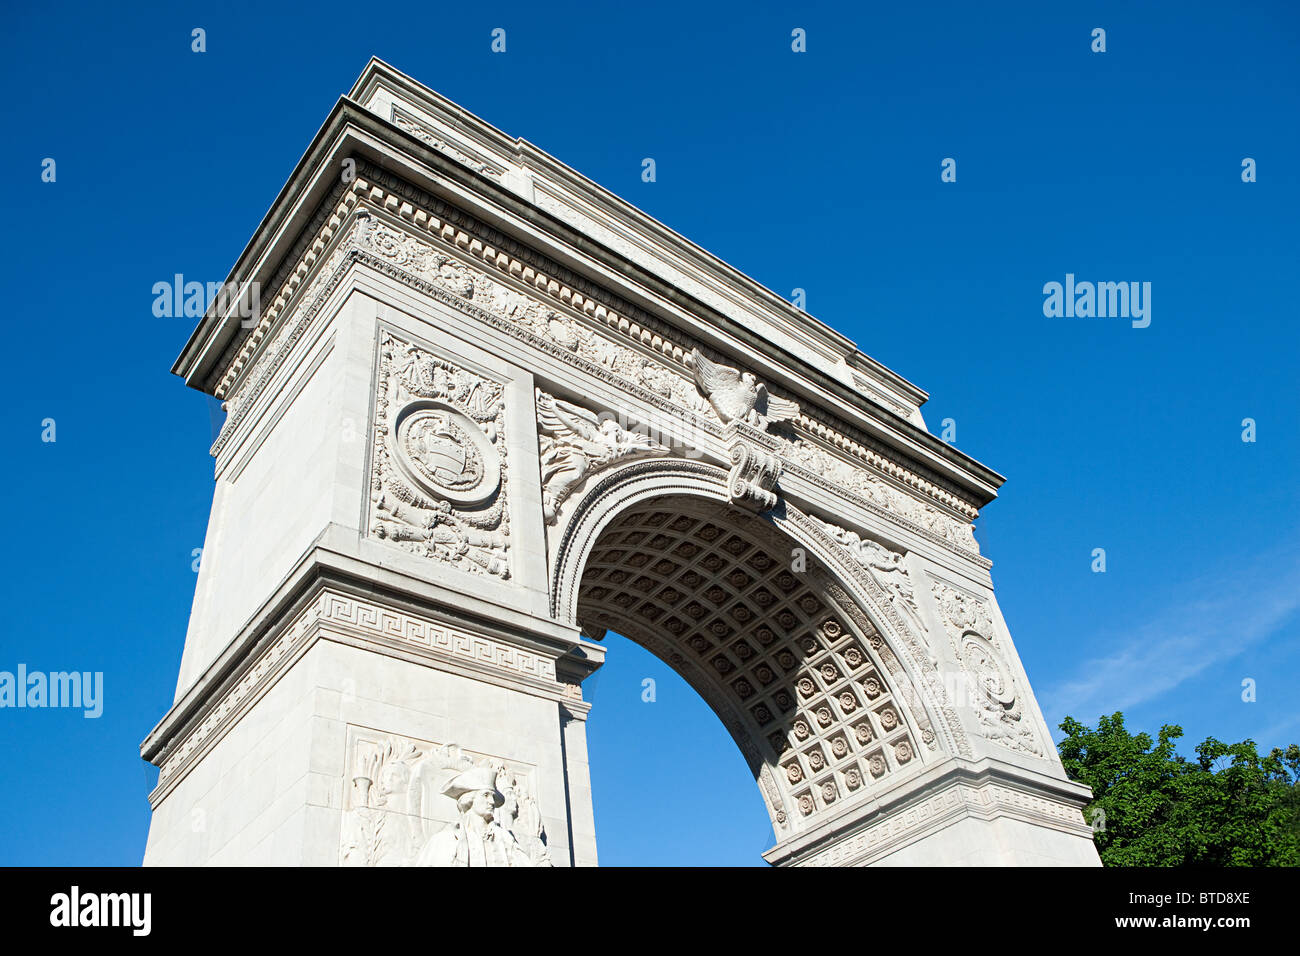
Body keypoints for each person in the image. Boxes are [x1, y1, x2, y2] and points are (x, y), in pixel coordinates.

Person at [416, 766, 543, 867]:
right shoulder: (446, 839)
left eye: (493, 797)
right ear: (470, 799)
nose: (492, 802)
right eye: (485, 795)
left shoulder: (506, 840)